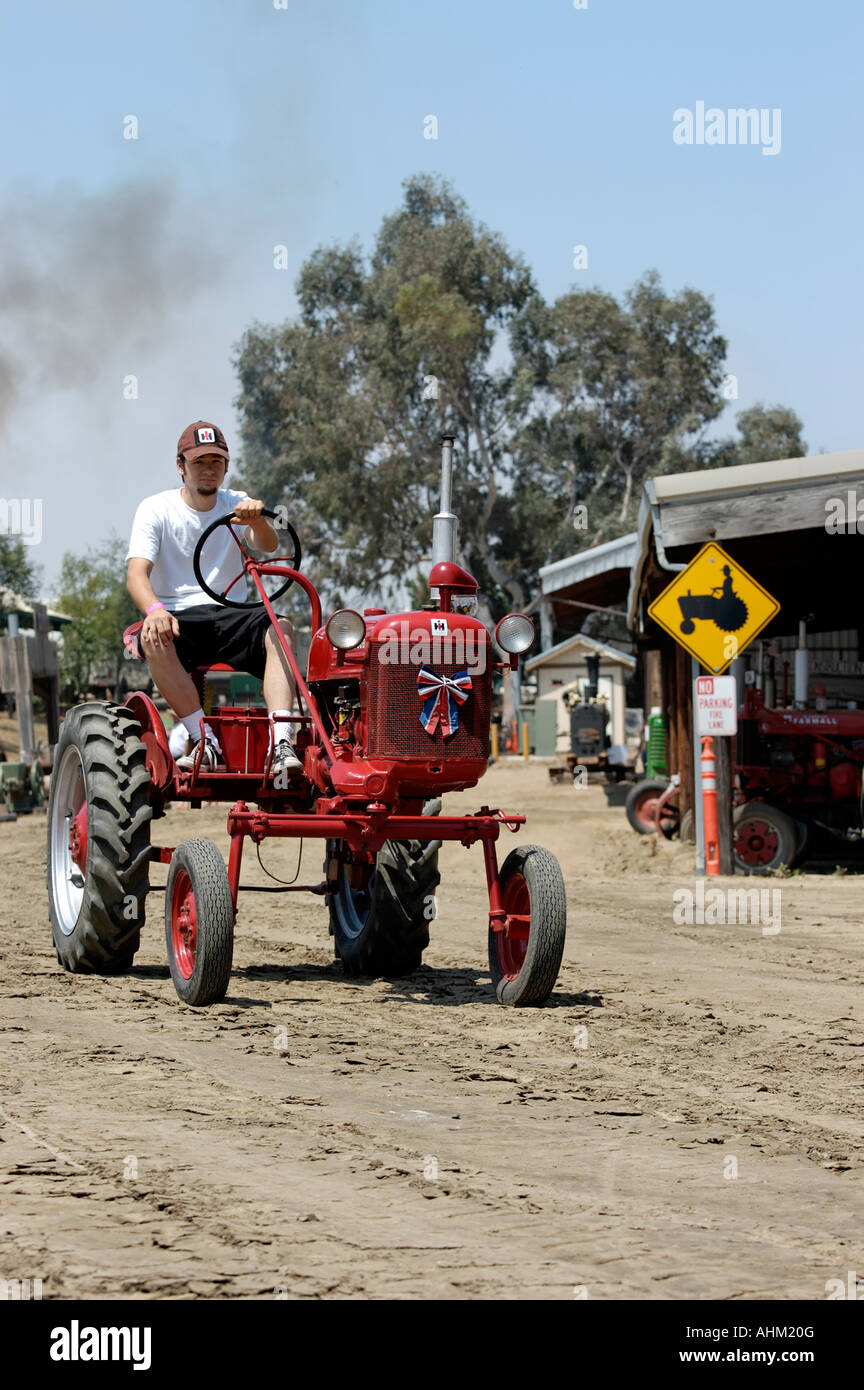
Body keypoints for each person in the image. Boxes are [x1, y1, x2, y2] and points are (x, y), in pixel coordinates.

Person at [125, 420, 302, 778]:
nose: (208, 470)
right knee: (152, 635)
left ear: (226, 466)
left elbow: (267, 546)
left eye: (216, 462)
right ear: (181, 466)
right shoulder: (155, 509)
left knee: (281, 627)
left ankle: (282, 741)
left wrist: (259, 521)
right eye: (199, 462)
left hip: (231, 614)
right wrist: (155, 610)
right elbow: (135, 574)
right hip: (179, 619)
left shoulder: (237, 503)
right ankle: (204, 740)